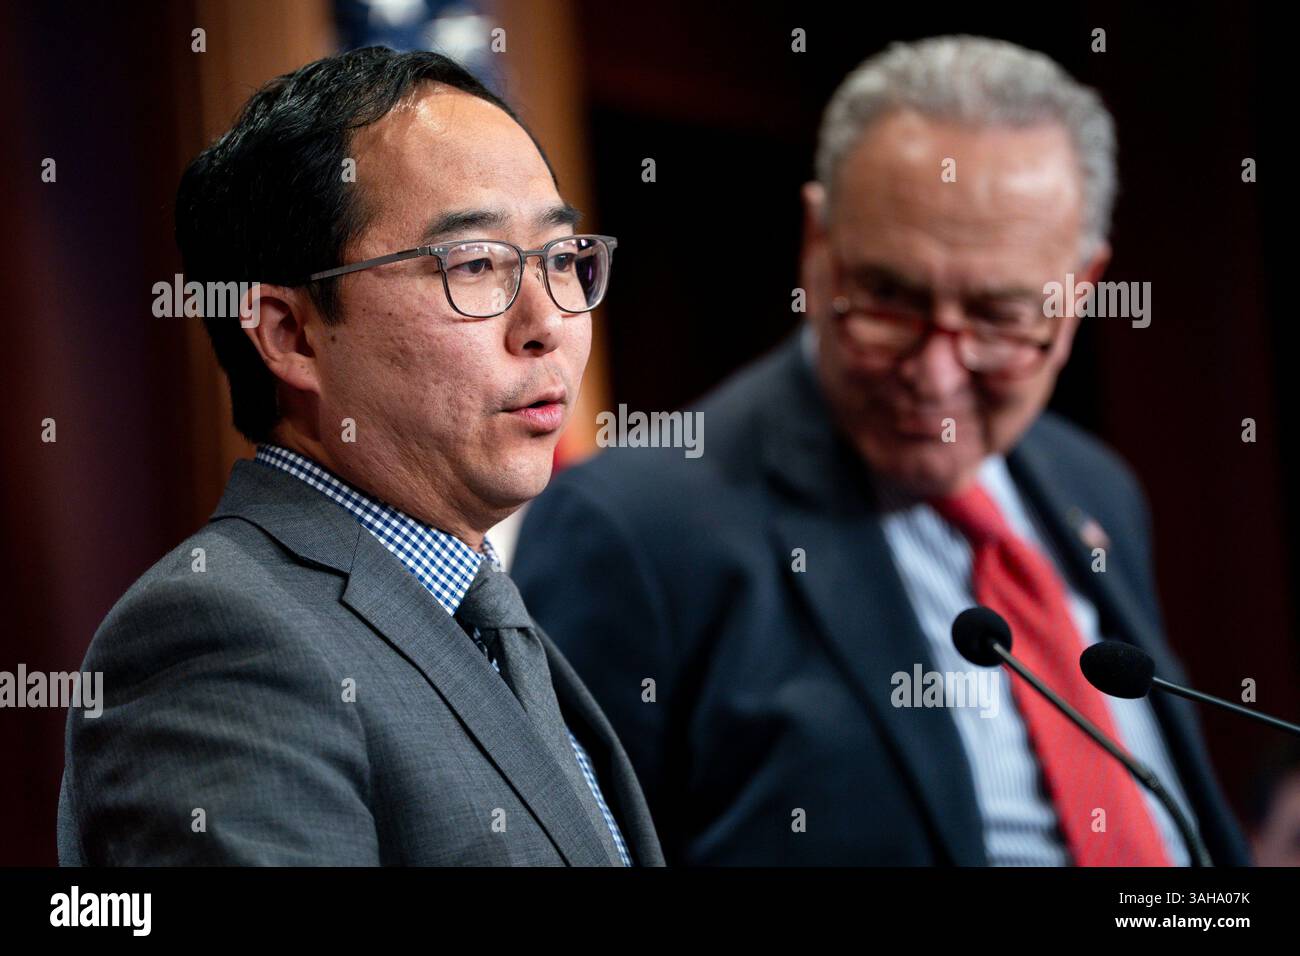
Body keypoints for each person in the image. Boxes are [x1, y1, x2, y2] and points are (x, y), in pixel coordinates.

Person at [513, 35, 1250, 866]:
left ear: (1080, 291)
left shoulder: (1096, 486)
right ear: (817, 248)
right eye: (890, 302)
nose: (935, 377)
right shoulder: (634, 529)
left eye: (1001, 317)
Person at [57, 46, 662, 867]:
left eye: (560, 258)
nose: (546, 322)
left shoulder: (489, 615)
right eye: (475, 264)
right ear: (289, 334)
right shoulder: (218, 638)